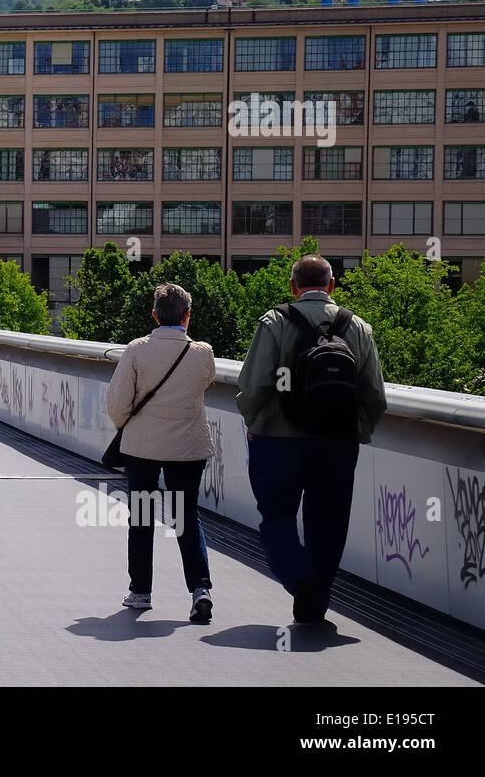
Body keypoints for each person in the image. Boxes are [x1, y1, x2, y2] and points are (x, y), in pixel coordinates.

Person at [236, 255, 387, 624]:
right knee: (329, 522)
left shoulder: (274, 322)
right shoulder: (358, 328)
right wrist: (355, 431)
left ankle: (300, 579)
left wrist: (255, 422)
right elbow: (375, 396)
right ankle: (314, 602)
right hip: (337, 443)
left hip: (278, 439)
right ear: (332, 285)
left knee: (276, 516)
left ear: (293, 286)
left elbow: (254, 386)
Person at [105, 283, 217, 623]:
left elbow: (117, 404)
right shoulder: (202, 353)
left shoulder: (136, 350)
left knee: (140, 516)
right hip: (188, 446)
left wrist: (132, 425)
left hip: (143, 446)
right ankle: (200, 589)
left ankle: (140, 592)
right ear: (187, 316)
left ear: (154, 315)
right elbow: (205, 383)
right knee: (186, 516)